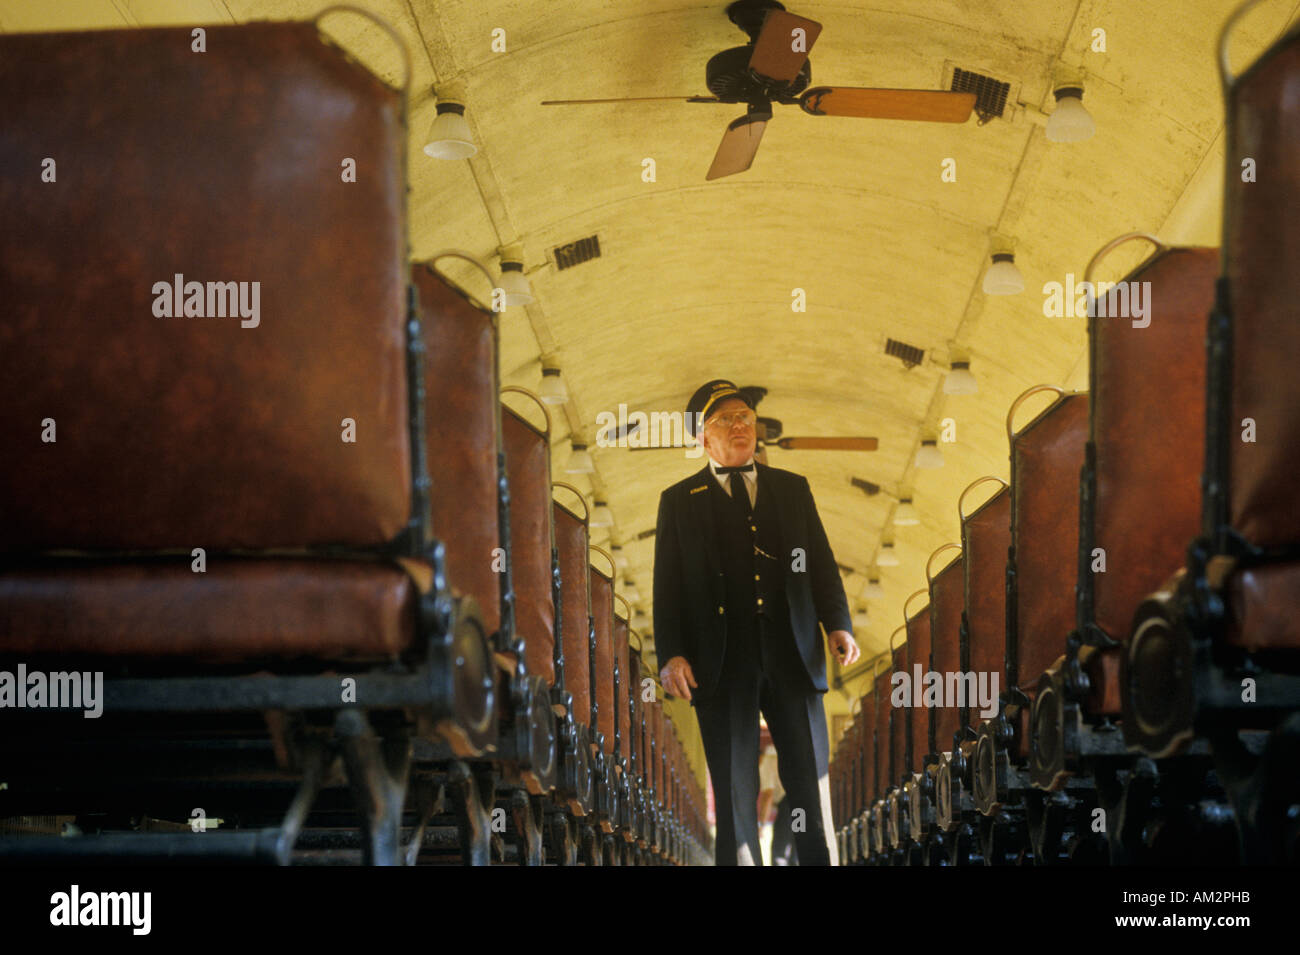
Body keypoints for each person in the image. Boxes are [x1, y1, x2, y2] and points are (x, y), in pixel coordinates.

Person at [653, 379, 860, 865]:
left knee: (810, 784)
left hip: (794, 653)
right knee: (733, 788)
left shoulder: (792, 490)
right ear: (702, 438)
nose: (739, 425)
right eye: (724, 420)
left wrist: (838, 624)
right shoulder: (679, 500)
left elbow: (821, 564)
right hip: (720, 663)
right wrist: (672, 655)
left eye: (744, 417)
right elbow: (667, 587)